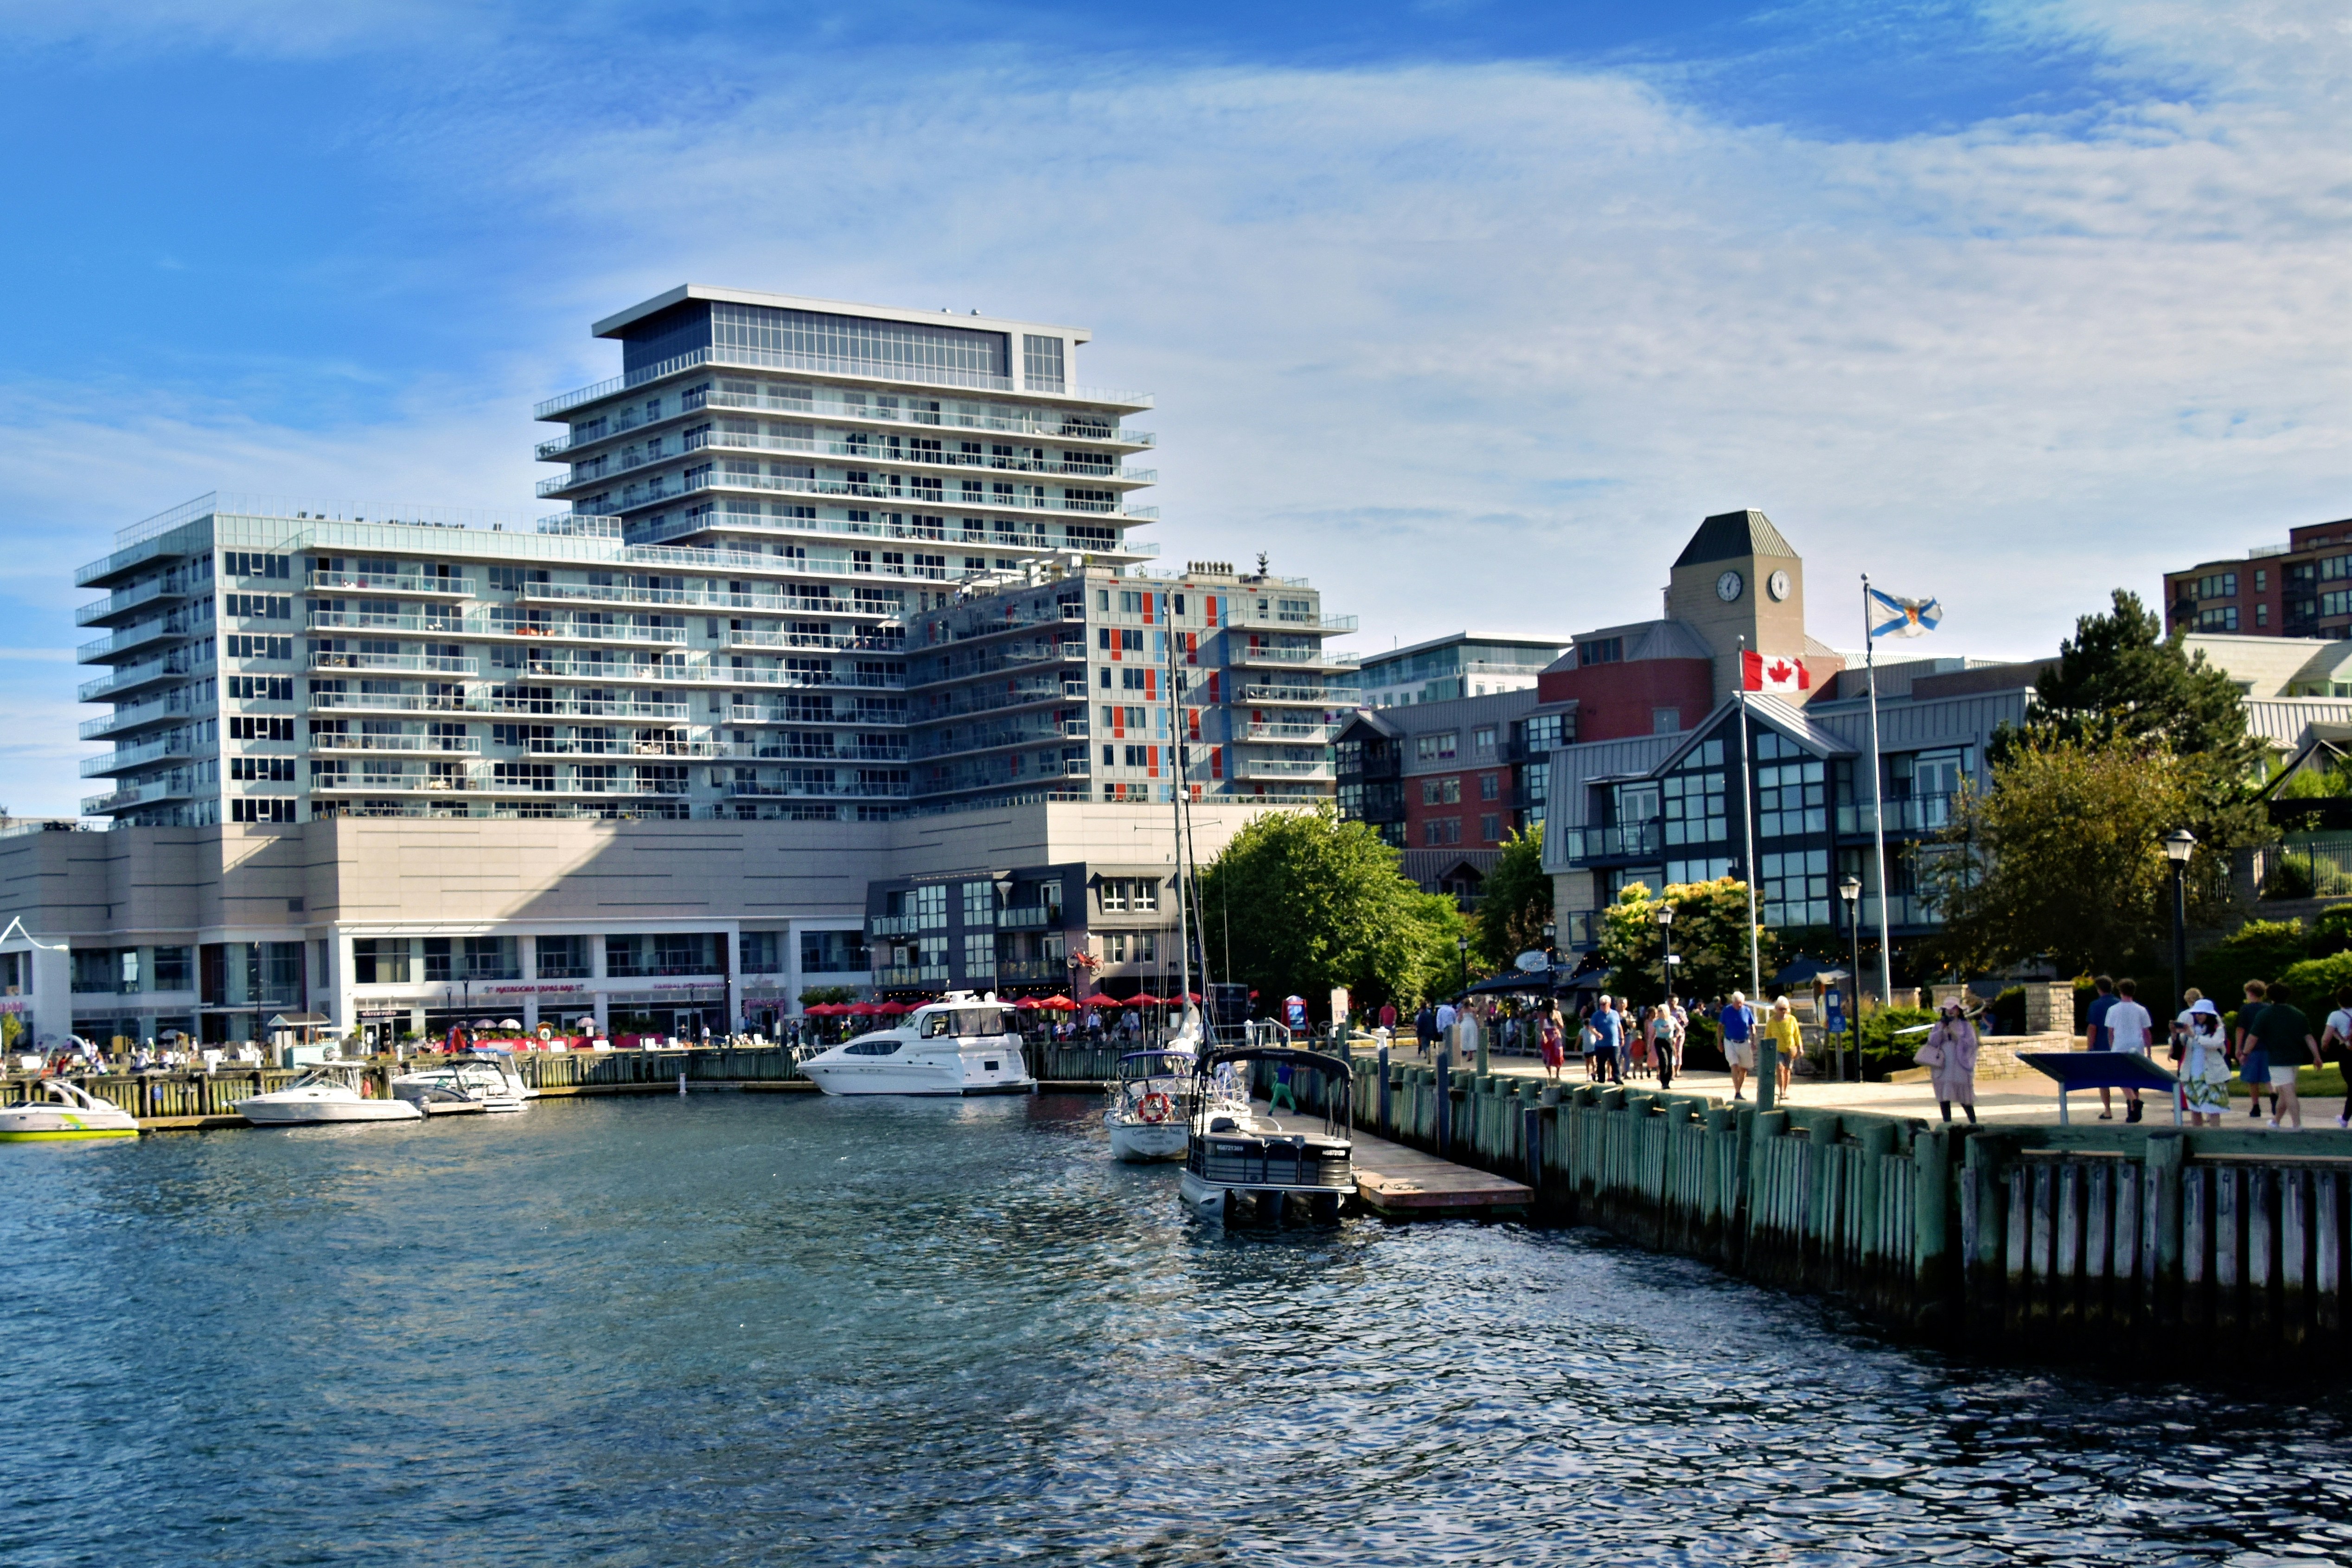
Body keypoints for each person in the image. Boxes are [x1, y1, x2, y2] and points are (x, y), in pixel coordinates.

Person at [2250, 979, 2316, 1130]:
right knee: (2284, 1093)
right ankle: (2276, 1121)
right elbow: (2309, 1037)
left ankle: (2297, 1124)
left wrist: (2245, 1052)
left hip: (2278, 1060)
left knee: (2288, 1092)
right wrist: (2316, 1056)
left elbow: (2253, 1037)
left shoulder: (2265, 1014)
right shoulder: (2298, 1014)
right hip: (2295, 1058)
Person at [2104, 978, 2155, 1123]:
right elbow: (2147, 1032)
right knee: (2134, 1079)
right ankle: (2133, 1110)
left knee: (2120, 1077)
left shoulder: (2113, 1010)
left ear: (2120, 992)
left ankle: (2134, 1102)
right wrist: (2149, 1052)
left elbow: (2111, 1031)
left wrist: (2111, 1046)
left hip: (2120, 1045)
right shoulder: (2141, 1010)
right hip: (2137, 1046)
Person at [1922, 998, 1980, 1124]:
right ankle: (1947, 1122)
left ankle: (1973, 1121)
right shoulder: (1939, 1026)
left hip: (1959, 1063)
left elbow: (1971, 1044)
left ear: (1959, 1011)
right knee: (1944, 1095)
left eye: (1954, 1009)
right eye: (1947, 1009)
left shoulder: (1966, 1026)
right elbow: (1932, 1042)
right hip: (1943, 1062)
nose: (1950, 1011)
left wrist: (1954, 1034)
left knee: (1964, 1095)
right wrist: (1942, 1031)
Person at [2180, 997, 2231, 1127]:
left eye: (2202, 1013)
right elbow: (2181, 1044)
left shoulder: (2218, 1029)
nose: (2198, 1016)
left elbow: (2215, 1044)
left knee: (2214, 1108)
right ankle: (2198, 1138)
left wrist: (2195, 1036)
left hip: (2212, 1074)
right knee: (2195, 1108)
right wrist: (2178, 1034)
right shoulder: (2192, 1029)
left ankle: (2214, 1139)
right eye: (2196, 1014)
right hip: (2192, 1074)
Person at [2235, 980, 2273, 1123]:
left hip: (2250, 1048)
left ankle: (2256, 1106)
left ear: (2250, 993)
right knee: (2269, 1078)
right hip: (2267, 1047)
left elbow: (2241, 1030)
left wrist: (2239, 1048)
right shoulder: (2269, 1008)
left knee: (2253, 1080)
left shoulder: (2246, 1009)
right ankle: (2273, 1097)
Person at [2084, 975, 2121, 1120]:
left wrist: (2089, 1047)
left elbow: (2093, 1028)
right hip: (2119, 1046)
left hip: (2101, 1046)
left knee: (2103, 1081)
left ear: (2098, 989)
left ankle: (2108, 1110)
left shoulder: (2095, 1005)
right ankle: (2132, 1105)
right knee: (2125, 1078)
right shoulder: (2119, 1004)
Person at [1720, 990, 1757, 1100]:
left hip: (1744, 1041)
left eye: (1742, 1003)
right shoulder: (1727, 1011)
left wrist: (1754, 1040)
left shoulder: (1747, 1010)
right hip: (1730, 1041)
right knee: (1734, 1065)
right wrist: (1719, 1042)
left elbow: (1752, 1026)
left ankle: (1738, 1090)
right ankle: (1737, 1092)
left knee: (1744, 1068)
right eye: (1738, 1003)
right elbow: (1720, 1026)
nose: (1740, 1005)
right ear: (1733, 1002)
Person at [1765, 996, 1802, 1100]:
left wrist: (1800, 1048)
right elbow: (1767, 1036)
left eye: (1785, 1009)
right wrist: (1768, 1050)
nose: (1783, 1011)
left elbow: (1797, 1035)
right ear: (1776, 1009)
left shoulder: (1792, 1020)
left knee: (1787, 1070)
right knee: (1780, 1068)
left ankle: (1785, 1091)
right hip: (1777, 1049)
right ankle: (1781, 1091)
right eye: (1781, 1009)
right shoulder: (1771, 1022)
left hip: (1790, 1048)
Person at [2325, 987, 2352, 1130]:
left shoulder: (2335, 1015)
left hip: (2348, 1053)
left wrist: (2324, 1047)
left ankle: (2345, 1119)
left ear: (2339, 1001)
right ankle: (2345, 1117)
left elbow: (2326, 1038)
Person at [1590, 993, 1623, 1084]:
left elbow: (1619, 1026)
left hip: (1614, 1044)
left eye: (1604, 1004)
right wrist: (1597, 1034)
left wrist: (1622, 1037)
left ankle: (1618, 1080)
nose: (1602, 1006)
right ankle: (1601, 1081)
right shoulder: (1596, 1015)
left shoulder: (1615, 1014)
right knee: (1601, 1064)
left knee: (1615, 1063)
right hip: (1601, 1045)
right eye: (1601, 1004)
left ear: (1609, 1004)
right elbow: (1591, 1027)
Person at [1648, 1003, 1678, 1090]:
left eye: (1661, 1011)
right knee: (1663, 1061)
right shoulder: (1656, 1022)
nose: (1659, 1012)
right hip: (1659, 1041)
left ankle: (1668, 1081)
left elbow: (1680, 1029)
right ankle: (1663, 1082)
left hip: (1669, 1041)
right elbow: (1652, 1035)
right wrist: (1649, 1046)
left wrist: (1676, 1037)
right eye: (1658, 1011)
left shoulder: (1672, 1020)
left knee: (1670, 1062)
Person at [1539, 1004, 1565, 1082]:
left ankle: (1557, 1074)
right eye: (1555, 1003)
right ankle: (1550, 1074)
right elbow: (1541, 1028)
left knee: (1558, 1053)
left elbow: (1561, 1026)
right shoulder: (1543, 1014)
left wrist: (1557, 1019)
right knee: (1547, 1055)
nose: (1557, 1005)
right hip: (1547, 1034)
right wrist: (1544, 1036)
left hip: (1556, 1034)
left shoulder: (1558, 1013)